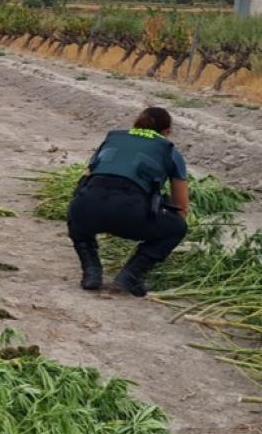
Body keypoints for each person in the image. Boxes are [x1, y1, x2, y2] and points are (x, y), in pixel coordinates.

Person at [66, 107, 190, 296]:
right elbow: (181, 207)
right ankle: (131, 276)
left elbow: (85, 179)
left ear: (135, 124)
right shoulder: (169, 151)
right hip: (129, 211)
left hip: (86, 208)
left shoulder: (112, 140)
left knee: (78, 211)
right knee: (177, 227)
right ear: (167, 132)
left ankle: (91, 271)